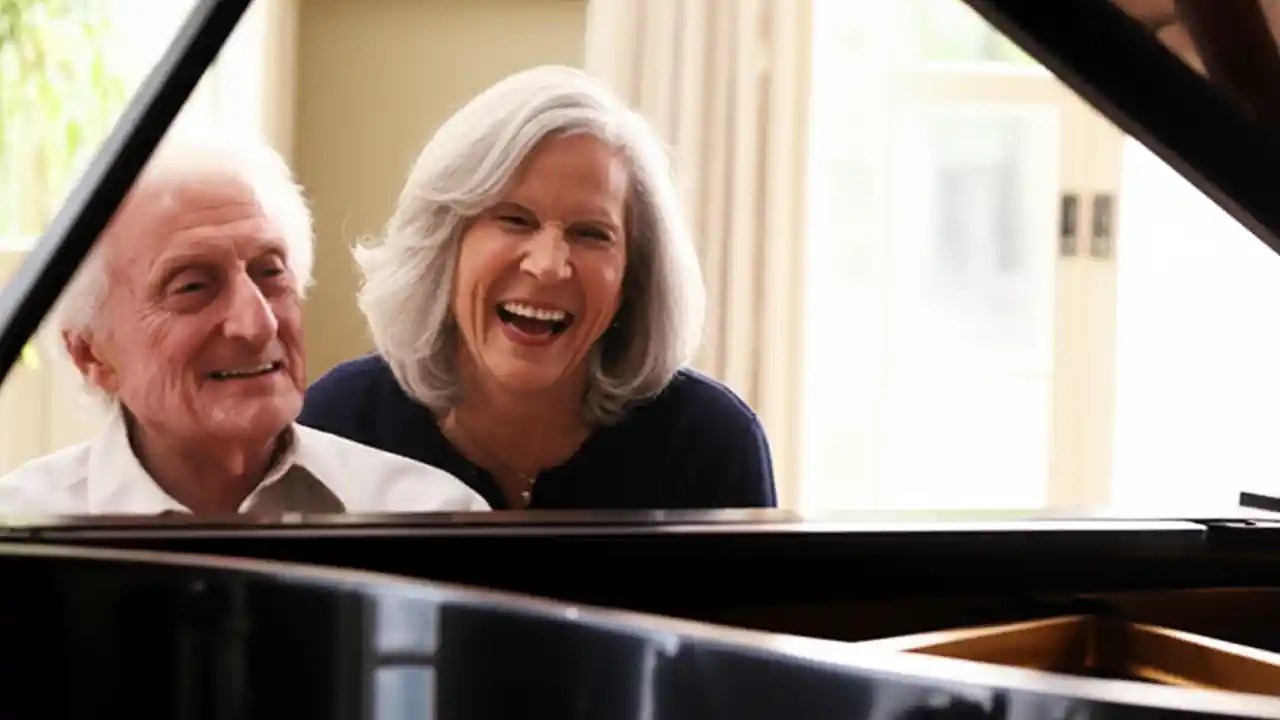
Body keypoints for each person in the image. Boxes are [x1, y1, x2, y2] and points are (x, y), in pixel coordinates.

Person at [299, 65, 777, 511]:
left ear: (634, 273)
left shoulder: (711, 444)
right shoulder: (338, 426)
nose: (549, 267)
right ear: (445, 245)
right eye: (514, 219)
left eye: (591, 233)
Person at [0, 134, 489, 516]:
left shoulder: (429, 519)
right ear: (91, 356)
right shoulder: (25, 532)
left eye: (271, 273)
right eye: (193, 286)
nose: (256, 324)